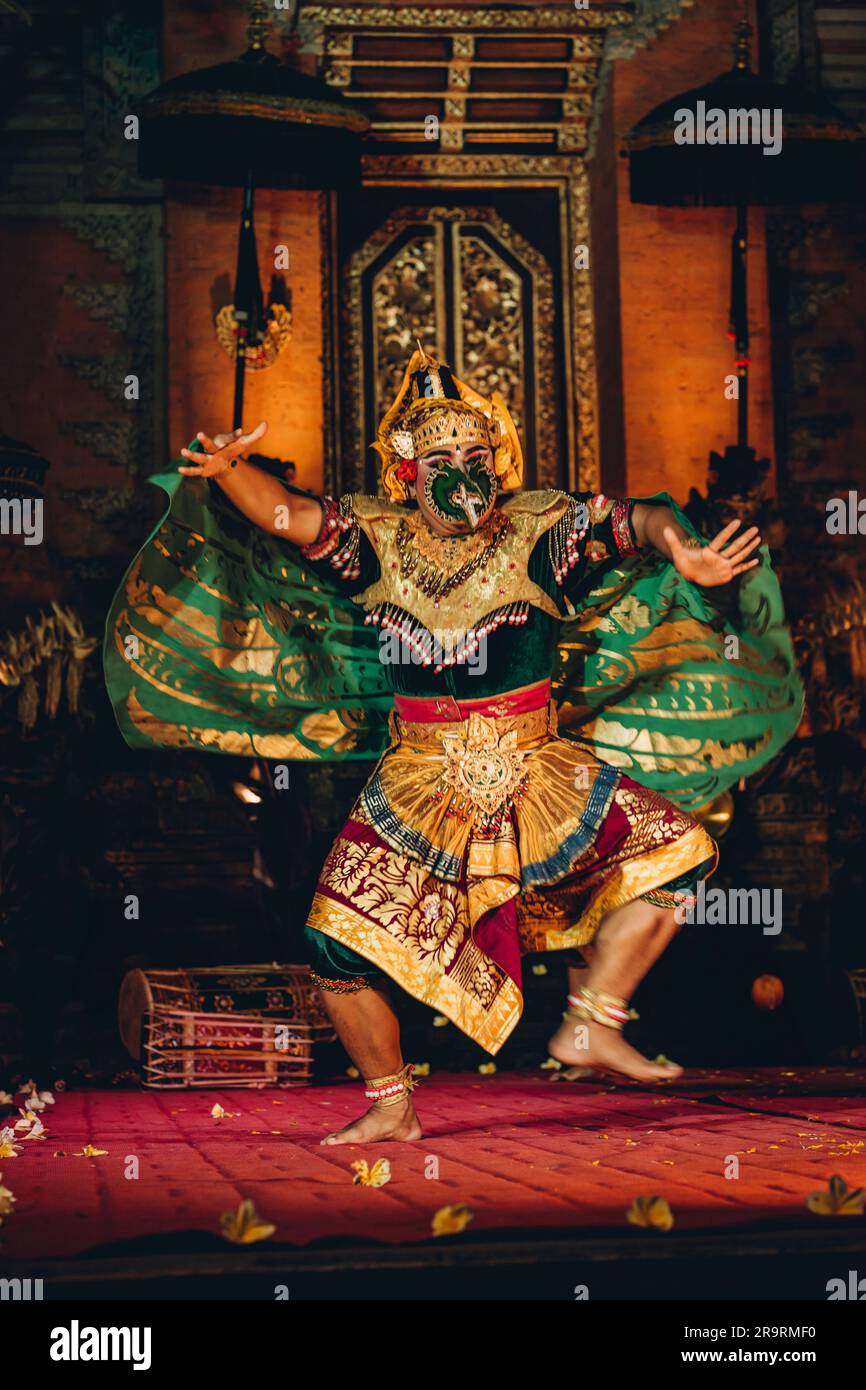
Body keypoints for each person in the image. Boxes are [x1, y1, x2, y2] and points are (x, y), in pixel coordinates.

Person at [105, 347, 802, 1144]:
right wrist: (229, 471)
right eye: (440, 457)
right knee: (332, 947)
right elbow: (287, 516)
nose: (461, 470)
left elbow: (636, 519)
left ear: (497, 463)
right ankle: (392, 1101)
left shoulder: (541, 527)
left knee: (679, 861)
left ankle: (592, 1021)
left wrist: (679, 546)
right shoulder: (373, 536)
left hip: (538, 771)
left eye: (475, 456)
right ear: (407, 471)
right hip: (416, 780)